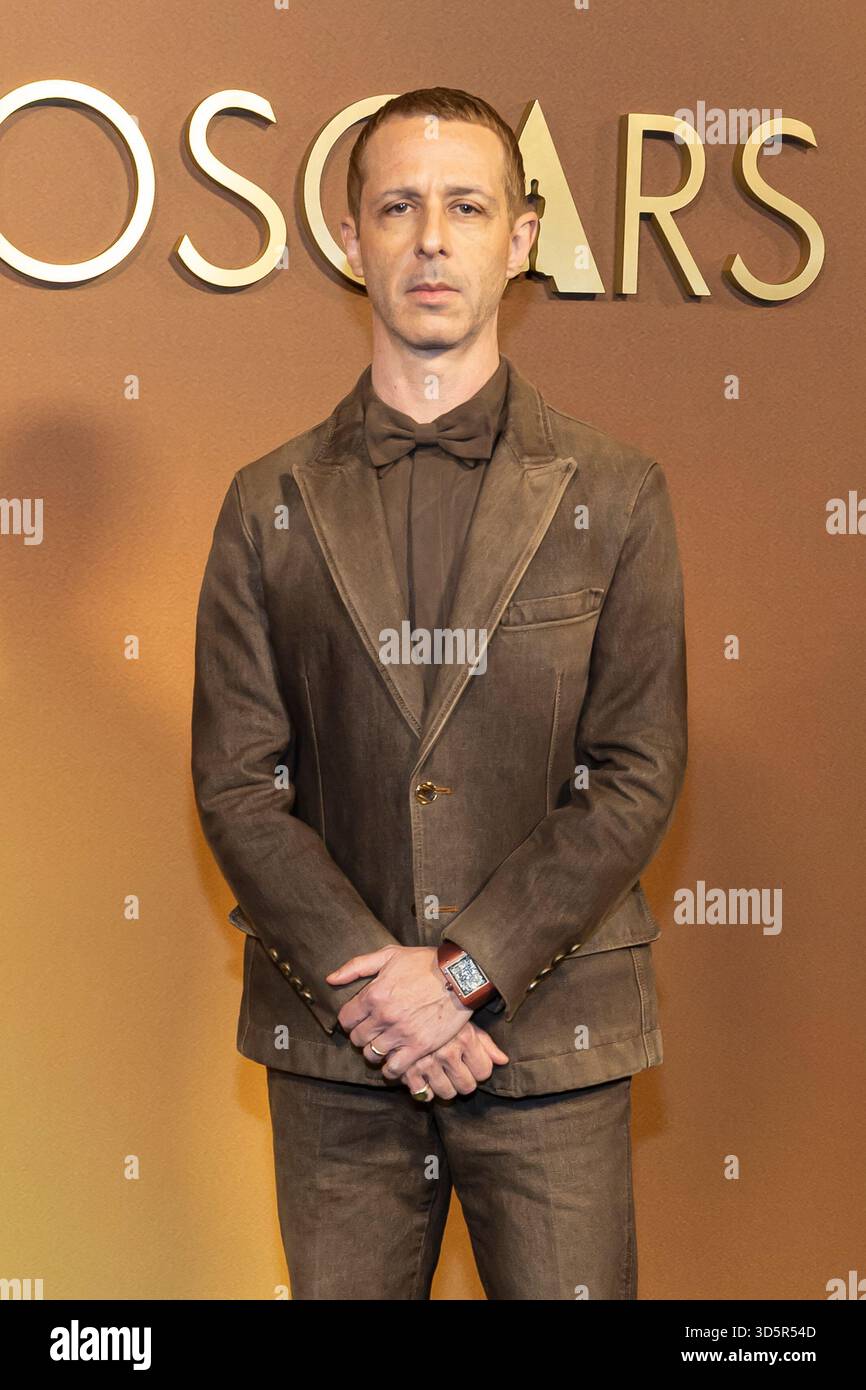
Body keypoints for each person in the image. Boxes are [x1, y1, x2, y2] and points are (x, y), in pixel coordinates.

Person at [191, 86, 688, 1300]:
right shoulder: (266, 501)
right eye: (397, 207)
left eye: (465, 207)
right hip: (337, 1058)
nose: (429, 239)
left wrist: (461, 974)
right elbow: (239, 786)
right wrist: (382, 992)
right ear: (350, 239)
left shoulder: (616, 492)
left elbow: (634, 774)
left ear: (519, 239)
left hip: (552, 1044)